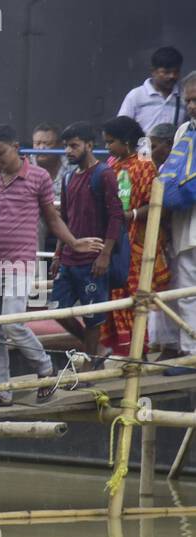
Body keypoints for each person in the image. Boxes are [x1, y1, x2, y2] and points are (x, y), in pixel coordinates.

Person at [0, 125, 103, 407]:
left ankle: (45, 368)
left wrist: (73, 243)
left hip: (20, 261)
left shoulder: (38, 178)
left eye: (0, 153)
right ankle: (2, 390)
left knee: (12, 322)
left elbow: (52, 219)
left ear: (16, 147)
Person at [50, 122, 124, 365]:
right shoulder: (69, 177)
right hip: (70, 256)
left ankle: (91, 368)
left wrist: (105, 254)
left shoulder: (104, 174)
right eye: (66, 147)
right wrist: (58, 253)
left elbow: (116, 215)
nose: (68, 151)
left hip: (93, 257)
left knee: (93, 315)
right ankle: (98, 351)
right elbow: (65, 219)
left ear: (89, 145)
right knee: (57, 309)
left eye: (74, 146)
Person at [102, 116, 170, 357]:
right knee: (116, 295)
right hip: (114, 240)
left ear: (127, 141)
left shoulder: (144, 165)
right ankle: (124, 353)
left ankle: (139, 353)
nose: (108, 147)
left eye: (111, 142)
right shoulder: (111, 163)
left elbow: (154, 203)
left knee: (136, 296)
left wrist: (129, 215)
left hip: (137, 241)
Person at [155, 71, 196, 368]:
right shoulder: (184, 131)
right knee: (186, 289)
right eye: (190, 100)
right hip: (186, 223)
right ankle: (189, 353)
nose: (192, 105)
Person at [117, 47, 185, 140]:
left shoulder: (184, 98)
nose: (172, 76)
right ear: (153, 71)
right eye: (166, 72)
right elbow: (121, 127)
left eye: (176, 72)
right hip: (142, 152)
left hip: (172, 153)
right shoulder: (136, 95)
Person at [30, 122, 74, 255]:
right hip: (38, 214)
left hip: (66, 214)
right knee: (33, 225)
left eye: (47, 144)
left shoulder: (72, 166)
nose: (41, 148)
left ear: (60, 145)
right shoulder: (25, 165)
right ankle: (35, 274)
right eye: (37, 144)